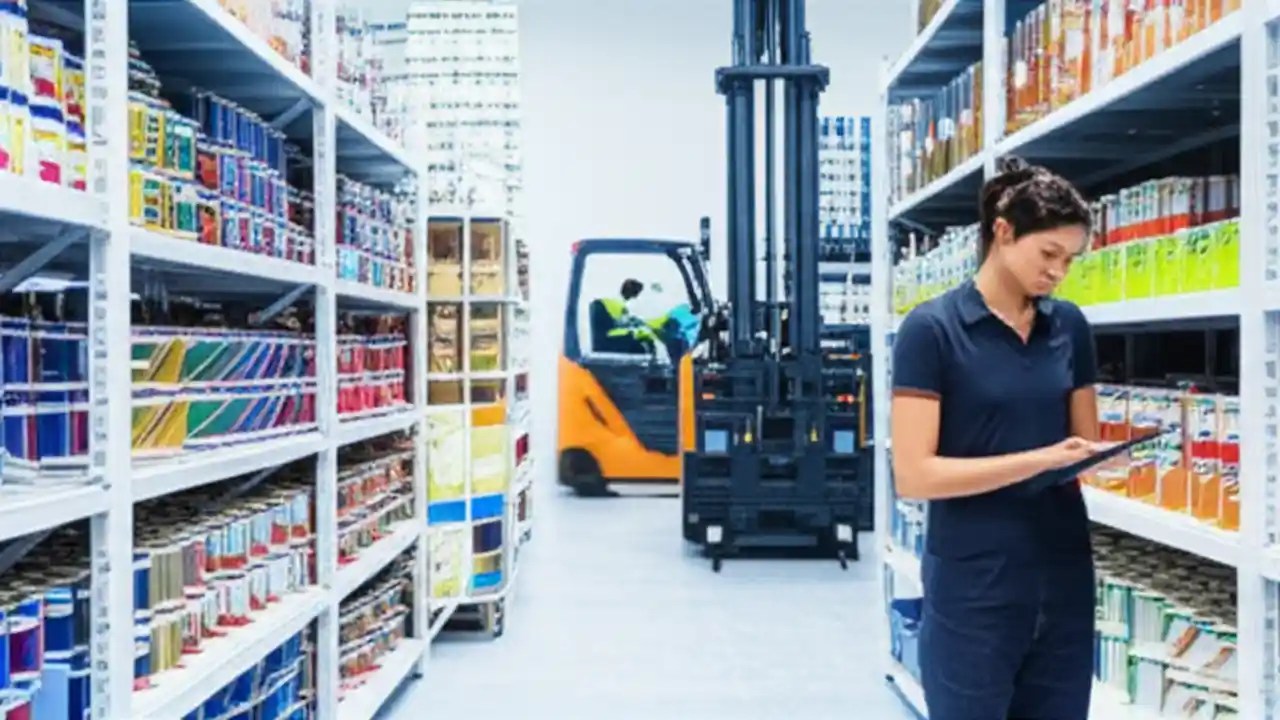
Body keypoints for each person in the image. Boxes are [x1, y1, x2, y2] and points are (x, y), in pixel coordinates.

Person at [891, 157, 1103, 720]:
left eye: (1070, 260)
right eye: (1048, 254)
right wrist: (1039, 460)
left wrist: (1096, 457)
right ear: (1003, 233)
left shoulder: (1070, 327)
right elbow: (914, 474)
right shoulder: (932, 330)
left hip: (1062, 578)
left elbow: (1084, 442)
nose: (1058, 272)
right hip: (974, 583)